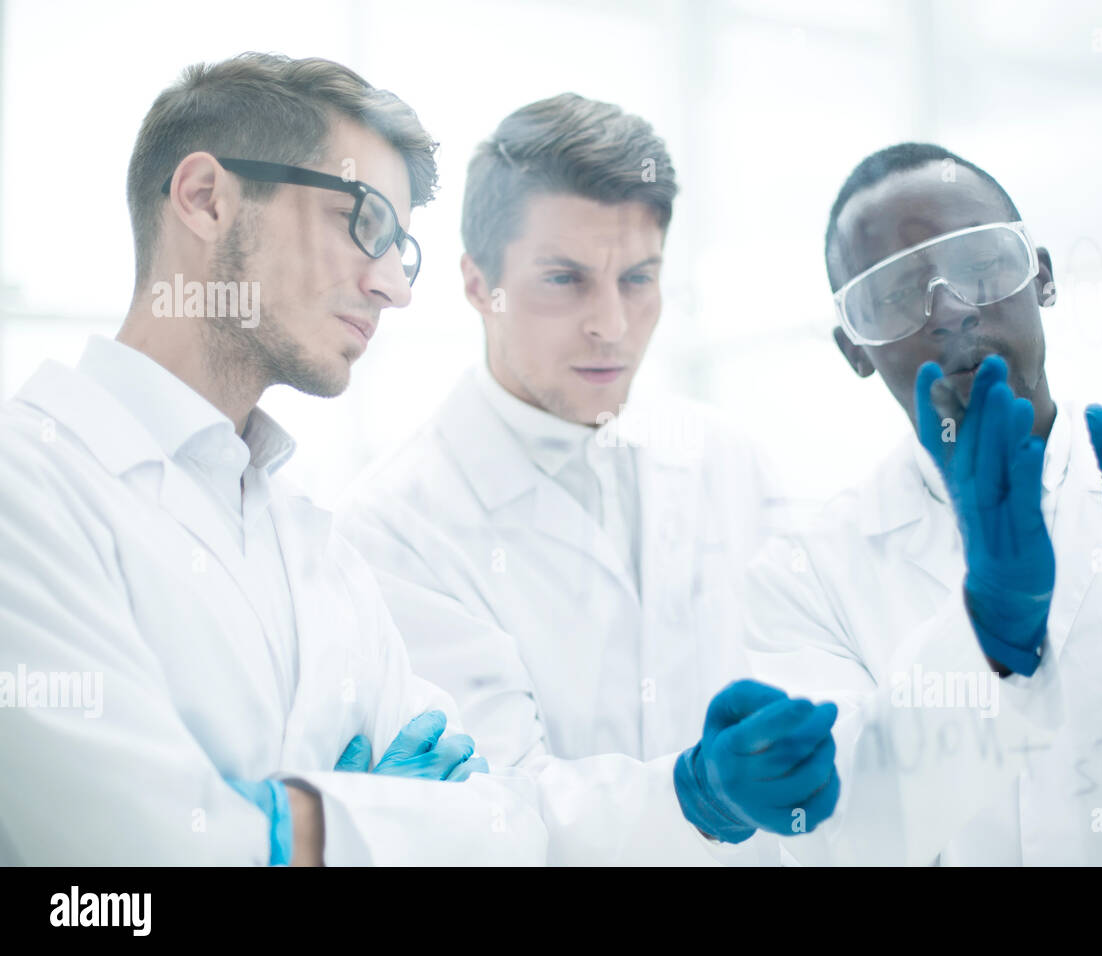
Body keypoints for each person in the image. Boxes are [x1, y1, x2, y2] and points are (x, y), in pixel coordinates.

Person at [0, 53, 549, 865]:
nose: (395, 286)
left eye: (404, 248)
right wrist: (356, 825)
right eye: (364, 222)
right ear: (207, 199)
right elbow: (130, 865)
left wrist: (289, 829)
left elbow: (504, 827)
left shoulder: (316, 550)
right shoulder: (28, 482)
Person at [743, 142, 1102, 865]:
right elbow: (828, 844)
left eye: (980, 269)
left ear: (1042, 278)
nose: (948, 312)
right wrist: (984, 639)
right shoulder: (806, 577)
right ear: (854, 348)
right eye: (895, 296)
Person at [339, 93, 839, 862]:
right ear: (478, 284)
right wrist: (695, 793)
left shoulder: (727, 462)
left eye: (638, 278)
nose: (611, 323)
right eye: (564, 280)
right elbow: (495, 809)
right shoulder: (393, 527)